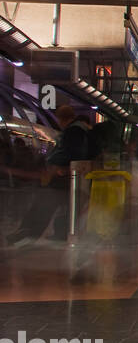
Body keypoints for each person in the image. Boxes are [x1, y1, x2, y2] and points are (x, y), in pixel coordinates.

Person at [5, 105, 100, 247]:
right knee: (62, 207)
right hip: (70, 175)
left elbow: (72, 153)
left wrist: (62, 168)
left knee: (44, 203)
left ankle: (26, 234)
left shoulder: (74, 131)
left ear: (61, 119)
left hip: (61, 174)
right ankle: (53, 234)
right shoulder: (83, 130)